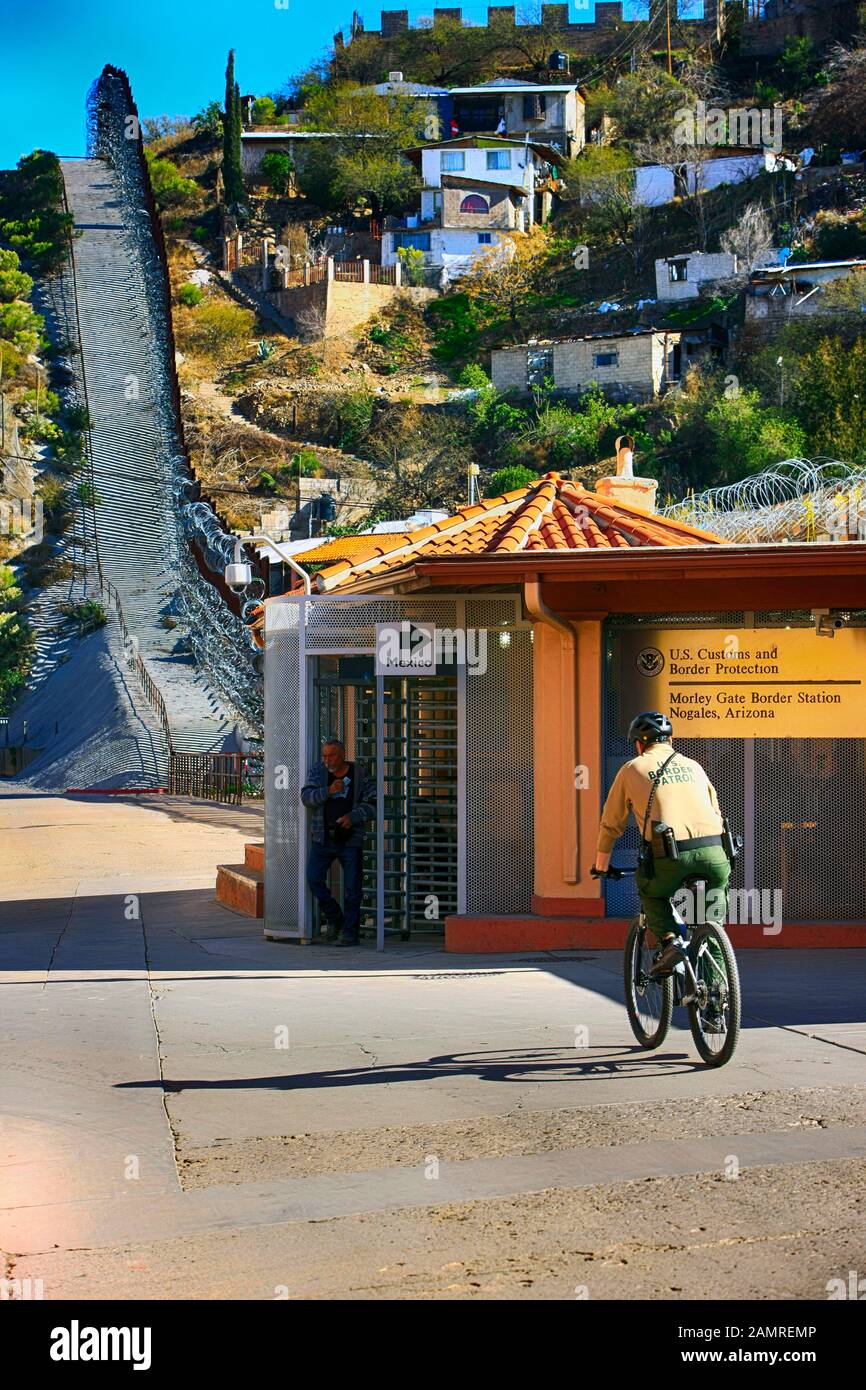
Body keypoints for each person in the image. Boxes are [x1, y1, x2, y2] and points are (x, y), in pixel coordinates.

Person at [593, 711, 731, 994]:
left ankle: (670, 944)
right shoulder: (694, 766)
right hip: (716, 854)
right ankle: (717, 1008)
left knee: (651, 892)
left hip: (671, 855)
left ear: (639, 744)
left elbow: (611, 824)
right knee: (710, 926)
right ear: (671, 740)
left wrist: (601, 865)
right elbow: (715, 809)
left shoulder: (633, 768)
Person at [302, 738, 375, 947]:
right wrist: (329, 791)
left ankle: (350, 933)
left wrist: (353, 816)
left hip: (350, 838)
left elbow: (373, 803)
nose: (327, 760)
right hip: (322, 837)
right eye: (325, 755)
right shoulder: (318, 771)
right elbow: (306, 798)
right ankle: (336, 918)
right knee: (314, 879)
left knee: (353, 888)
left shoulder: (359, 773)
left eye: (332, 755)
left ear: (342, 754)